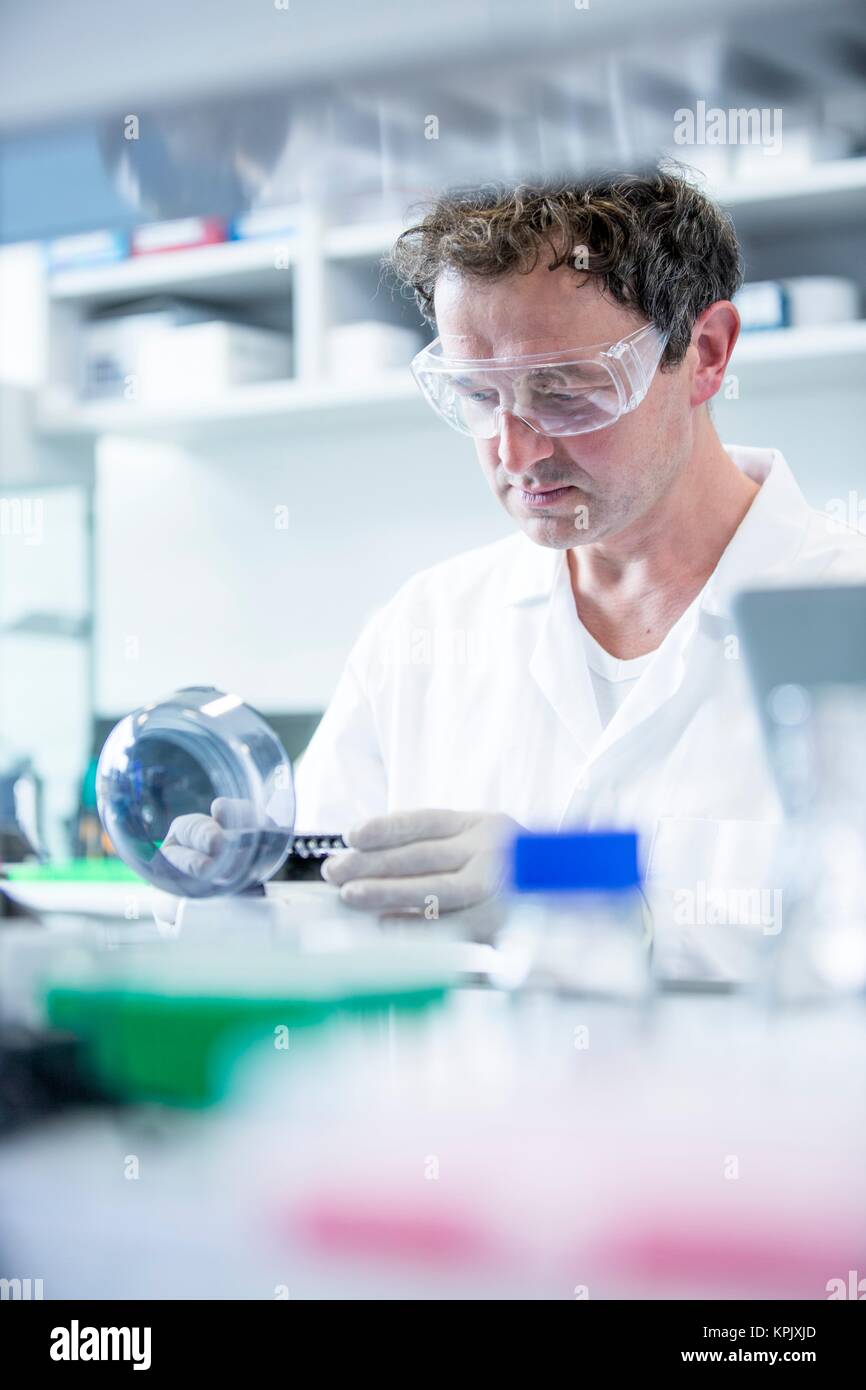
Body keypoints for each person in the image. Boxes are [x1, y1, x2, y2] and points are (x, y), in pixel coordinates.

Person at [287, 167, 866, 979]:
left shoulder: (848, 613)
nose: (517, 455)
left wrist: (594, 913)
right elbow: (317, 915)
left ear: (703, 354)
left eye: (563, 392)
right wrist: (241, 879)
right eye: (480, 397)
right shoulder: (425, 629)